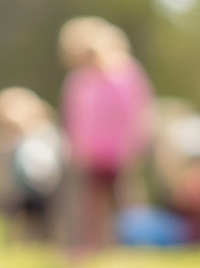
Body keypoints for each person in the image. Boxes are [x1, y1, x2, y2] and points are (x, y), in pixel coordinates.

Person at [59, 16, 154, 255]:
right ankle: (92, 249)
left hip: (120, 152)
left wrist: (135, 145)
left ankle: (135, 247)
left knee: (125, 204)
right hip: (90, 155)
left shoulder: (125, 75)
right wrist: (74, 148)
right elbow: (73, 119)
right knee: (90, 206)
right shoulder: (78, 81)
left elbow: (138, 113)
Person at [0, 87, 64, 242]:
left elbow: (52, 155)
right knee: (17, 215)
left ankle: (45, 242)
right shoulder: (14, 137)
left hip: (43, 185)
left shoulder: (43, 131)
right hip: (21, 188)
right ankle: (19, 243)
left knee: (43, 218)